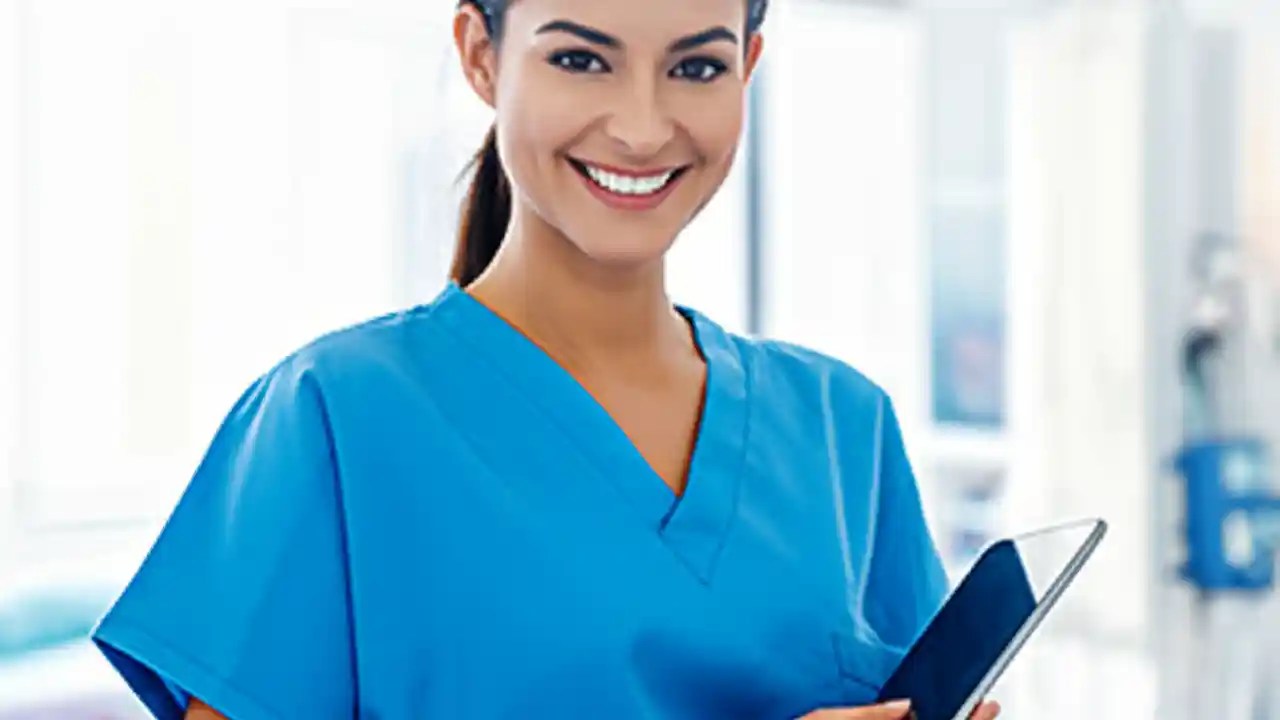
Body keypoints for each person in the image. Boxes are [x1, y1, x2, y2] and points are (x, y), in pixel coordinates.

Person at [91, 0, 1000, 718]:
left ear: (749, 68)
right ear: (480, 54)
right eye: (579, 59)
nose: (643, 129)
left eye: (696, 67)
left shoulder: (844, 428)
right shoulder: (335, 419)